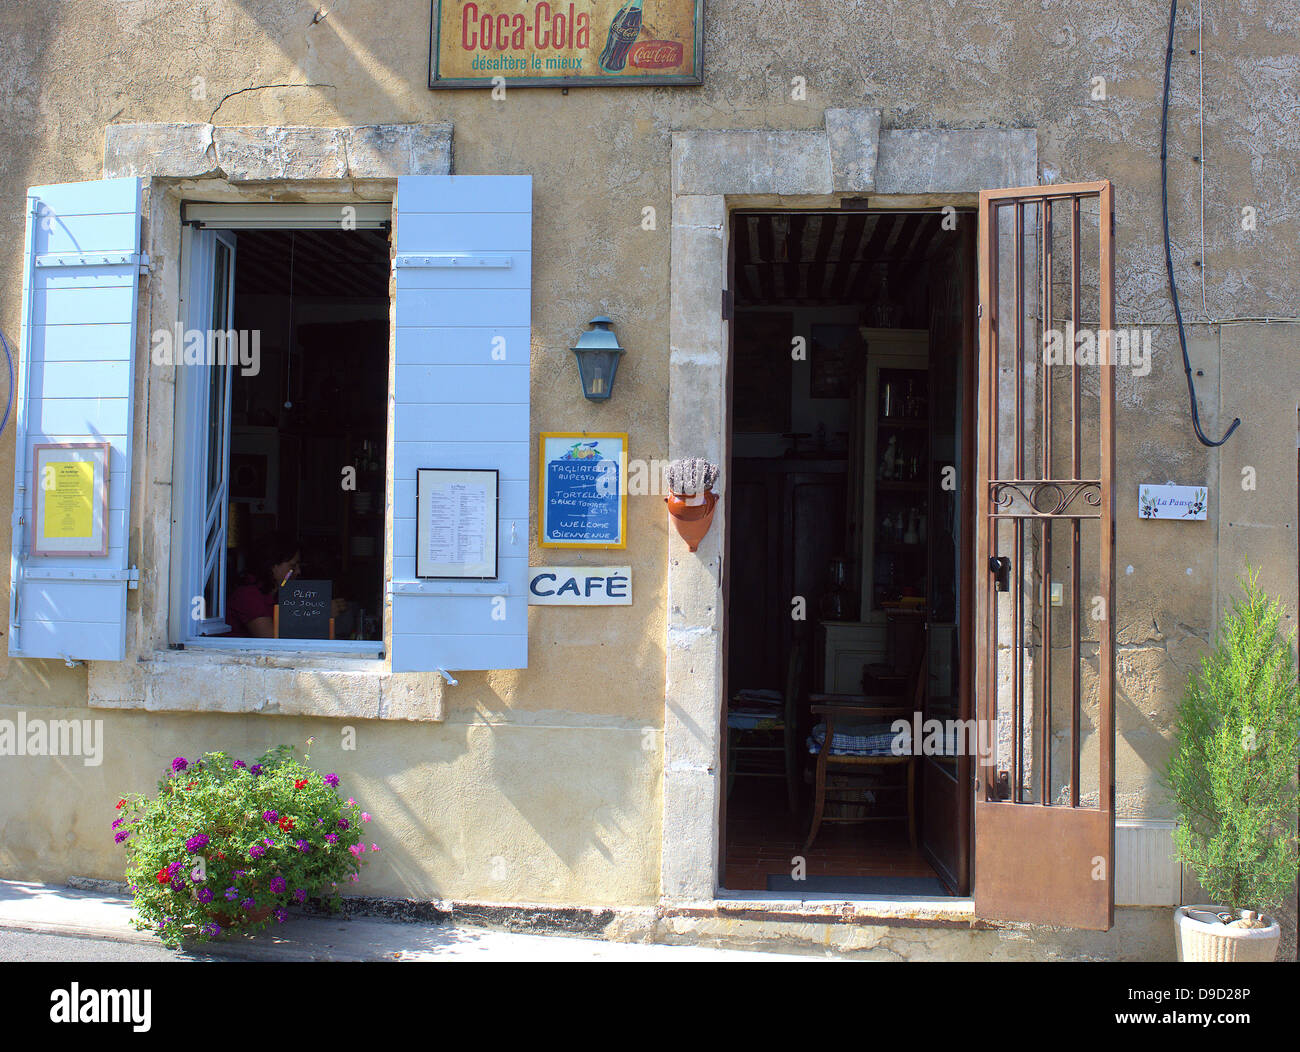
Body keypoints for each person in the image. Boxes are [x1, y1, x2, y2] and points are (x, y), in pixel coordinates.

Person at [225, 532, 345, 638]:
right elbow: (270, 637)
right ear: (272, 565)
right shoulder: (248, 594)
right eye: (292, 566)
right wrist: (321, 614)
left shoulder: (278, 594)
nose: (298, 571)